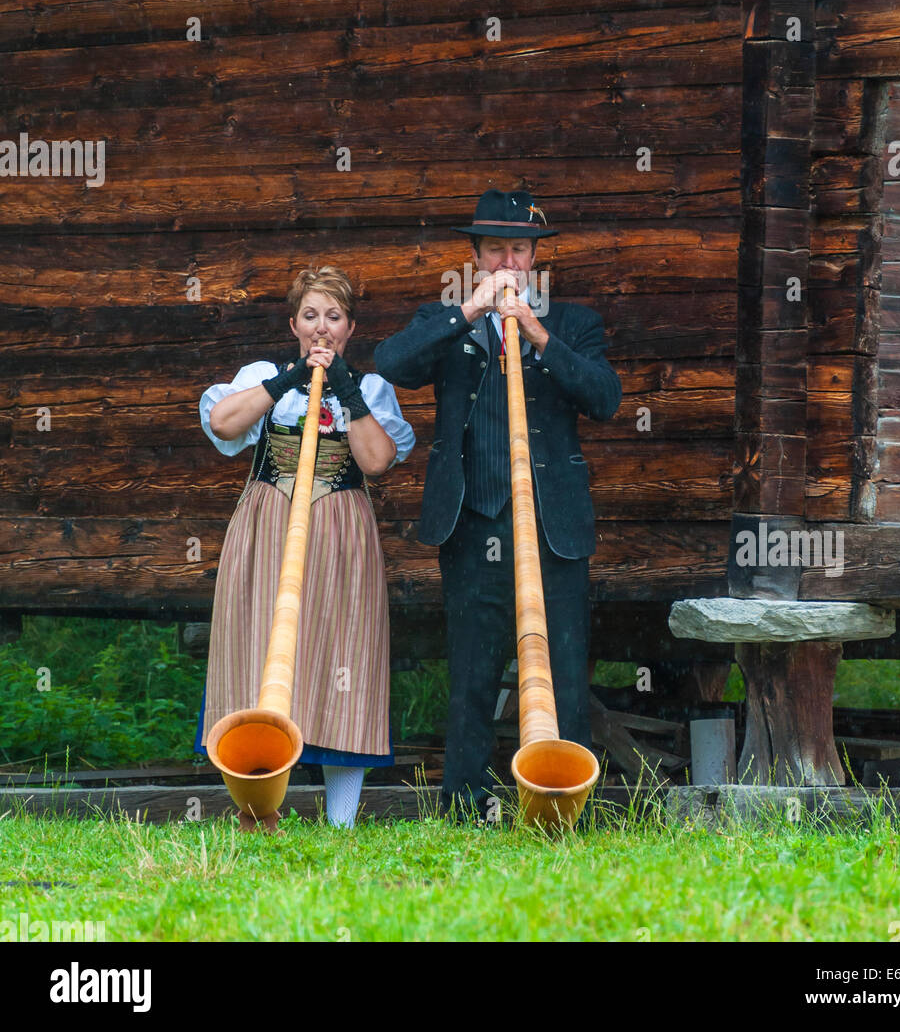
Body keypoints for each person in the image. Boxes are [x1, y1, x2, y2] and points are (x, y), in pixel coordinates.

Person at [375, 189, 622, 815]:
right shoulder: (444, 320)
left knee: (563, 670)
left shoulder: (571, 324)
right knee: (473, 671)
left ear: (534, 257)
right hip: (473, 521)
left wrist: (536, 334)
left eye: (519, 249)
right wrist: (466, 314)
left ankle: (567, 800)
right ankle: (467, 802)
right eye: (496, 250)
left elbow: (606, 398)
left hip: (553, 526)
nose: (508, 261)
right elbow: (391, 363)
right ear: (477, 257)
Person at [195, 265, 415, 827]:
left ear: (350, 328)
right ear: (294, 324)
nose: (322, 328)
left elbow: (377, 461)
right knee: (257, 653)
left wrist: (342, 388)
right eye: (311, 317)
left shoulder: (367, 389)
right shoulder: (266, 373)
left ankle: (341, 822)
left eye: (333, 318)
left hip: (342, 537)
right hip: (267, 527)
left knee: (344, 656)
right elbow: (222, 422)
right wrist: (288, 380)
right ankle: (256, 809)